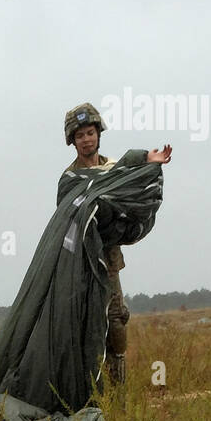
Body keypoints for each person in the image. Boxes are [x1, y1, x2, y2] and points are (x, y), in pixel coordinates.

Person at [59, 104, 172, 383]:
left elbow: (131, 181)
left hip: (108, 260)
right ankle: (86, 390)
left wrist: (148, 160)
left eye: (90, 133)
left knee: (116, 318)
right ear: (72, 141)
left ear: (98, 134)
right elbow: (66, 220)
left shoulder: (114, 169)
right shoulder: (69, 179)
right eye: (80, 135)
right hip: (80, 262)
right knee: (82, 322)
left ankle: (116, 393)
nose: (86, 139)